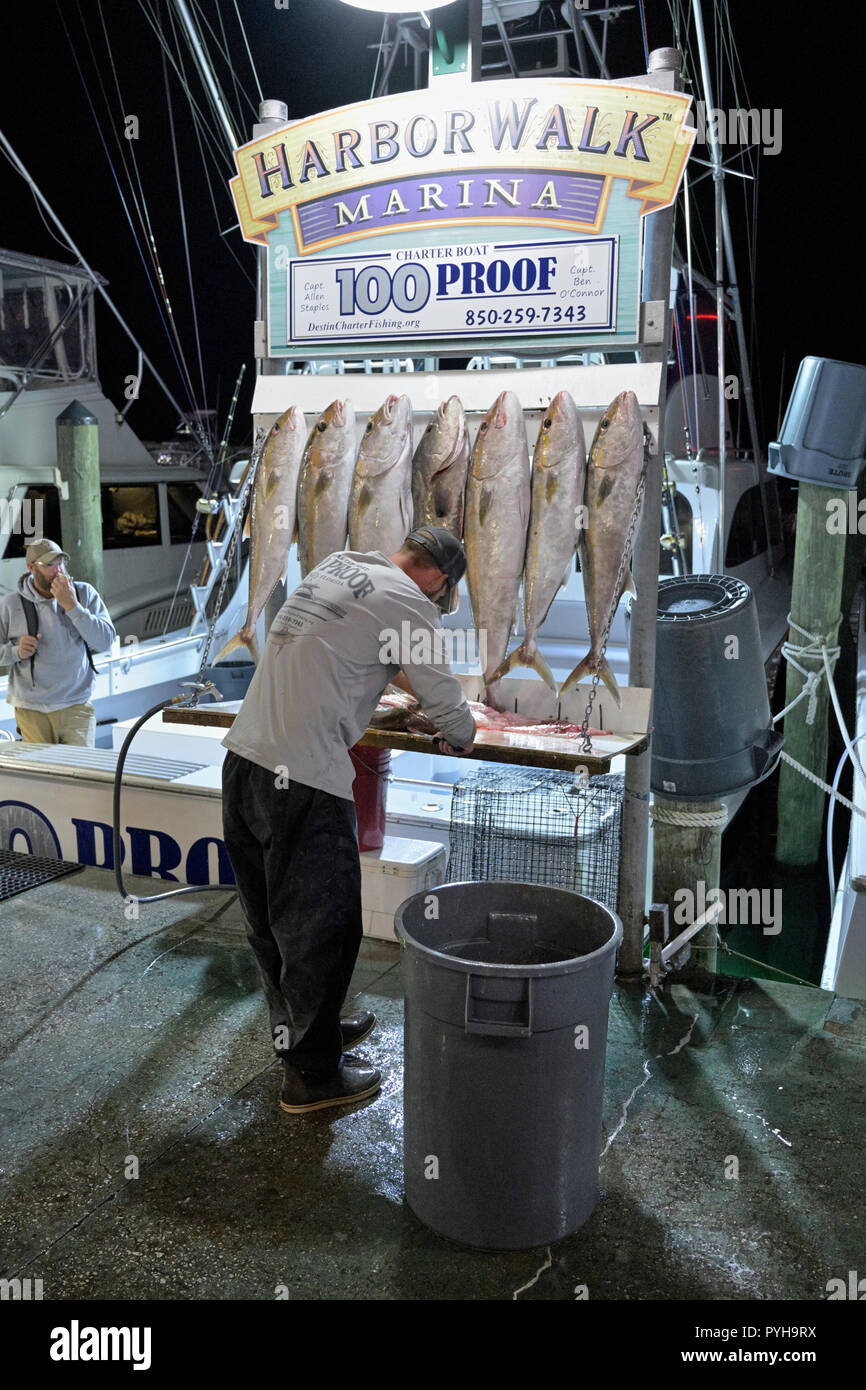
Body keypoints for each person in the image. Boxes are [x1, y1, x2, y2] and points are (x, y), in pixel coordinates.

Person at [221, 526, 476, 1115]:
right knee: (322, 928)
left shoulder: (336, 567)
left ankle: (308, 1031)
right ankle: (313, 1078)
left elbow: (346, 650)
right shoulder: (411, 602)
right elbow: (447, 707)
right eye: (442, 596)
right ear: (438, 579)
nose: (436, 603)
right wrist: (461, 734)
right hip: (303, 780)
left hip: (244, 764)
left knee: (271, 923)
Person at [0, 539, 116, 746]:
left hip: (76, 705)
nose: (59, 570)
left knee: (82, 775)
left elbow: (106, 641)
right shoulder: (10, 604)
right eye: (50, 565)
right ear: (31, 568)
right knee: (43, 775)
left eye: (61, 562)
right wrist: (15, 652)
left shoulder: (84, 593)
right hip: (31, 709)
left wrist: (73, 607)